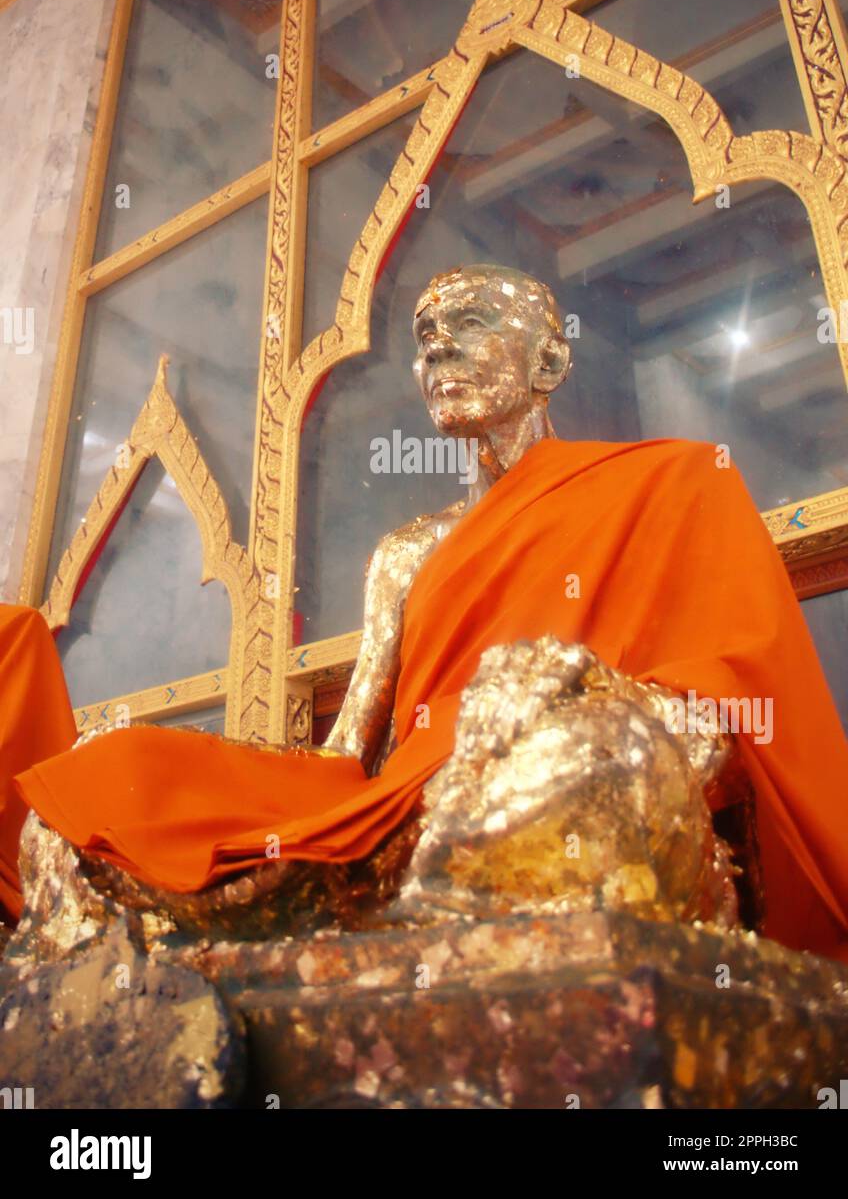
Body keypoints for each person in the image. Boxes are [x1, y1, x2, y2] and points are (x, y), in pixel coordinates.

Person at [3, 265, 847, 962]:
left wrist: (569, 699)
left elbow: (718, 714)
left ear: (550, 363)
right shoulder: (405, 553)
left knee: (592, 767)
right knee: (88, 789)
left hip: (549, 765)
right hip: (408, 799)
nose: (437, 342)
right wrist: (180, 765)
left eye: (472, 320)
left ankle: (436, 919)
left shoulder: (673, 480)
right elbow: (350, 757)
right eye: (424, 336)